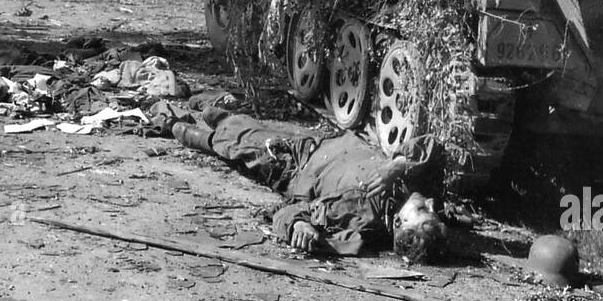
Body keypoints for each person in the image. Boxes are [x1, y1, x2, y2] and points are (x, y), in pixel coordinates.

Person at [170, 108, 447, 262]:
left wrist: (300, 226)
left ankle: (185, 131)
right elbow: (434, 146)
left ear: (400, 223)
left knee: (238, 144)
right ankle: (219, 117)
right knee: (241, 121)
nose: (432, 204)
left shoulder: (360, 214)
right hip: (323, 142)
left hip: (294, 166)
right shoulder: (412, 185)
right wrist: (397, 164)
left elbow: (293, 211)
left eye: (423, 209)